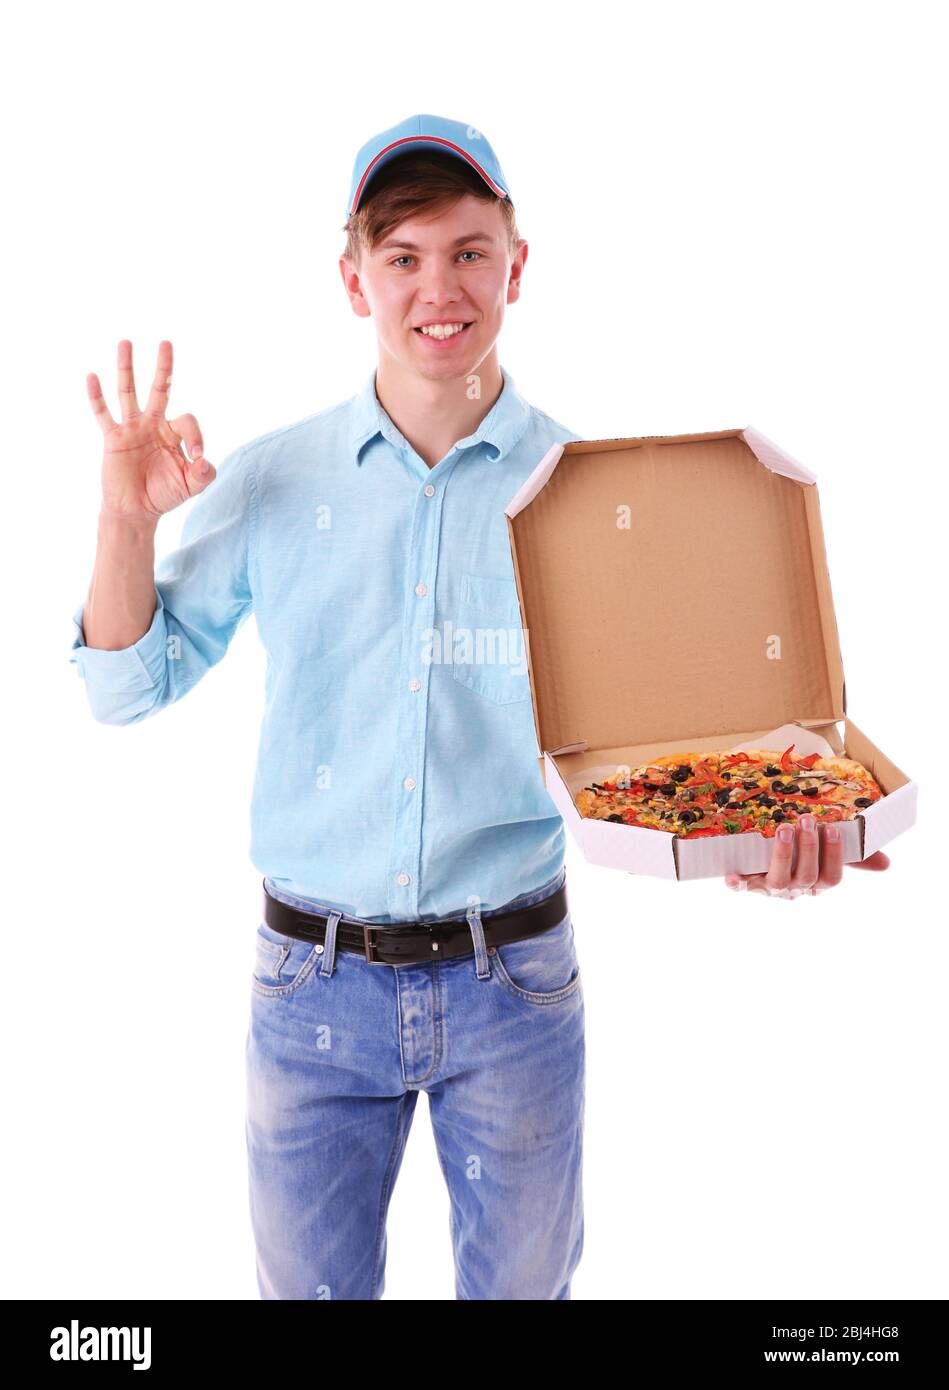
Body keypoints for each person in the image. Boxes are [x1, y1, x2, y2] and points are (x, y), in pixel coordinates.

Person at [69, 113, 890, 1301]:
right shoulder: (268, 479)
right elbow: (122, 685)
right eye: (401, 257)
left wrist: (763, 848)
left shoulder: (588, 497)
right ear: (353, 279)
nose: (436, 288)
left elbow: (660, 749)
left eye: (465, 250)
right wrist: (125, 525)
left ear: (517, 264)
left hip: (513, 988)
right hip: (309, 989)